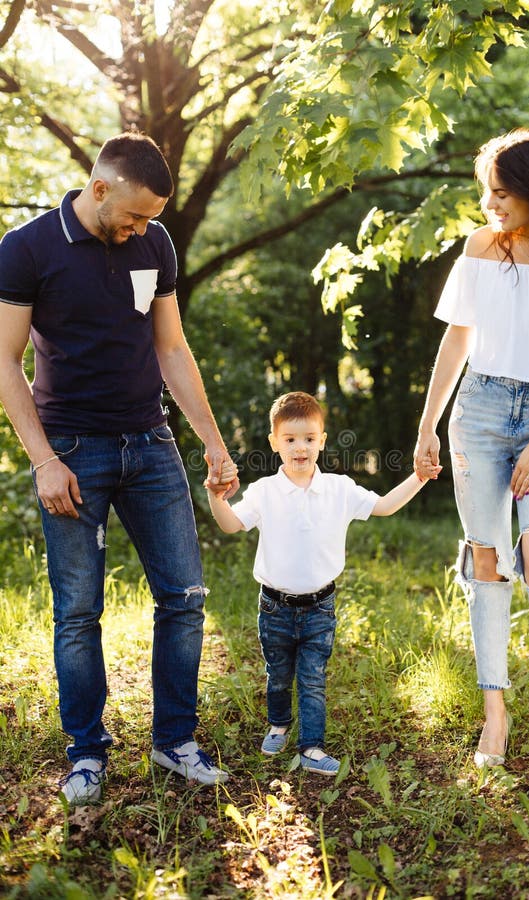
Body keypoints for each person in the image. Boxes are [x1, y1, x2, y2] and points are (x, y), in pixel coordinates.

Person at [0, 132, 239, 805]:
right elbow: (5, 362)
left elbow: (171, 348)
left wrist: (214, 445)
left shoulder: (153, 244)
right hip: (72, 451)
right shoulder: (27, 250)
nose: (140, 230)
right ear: (99, 188)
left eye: (150, 221)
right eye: (133, 216)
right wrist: (43, 459)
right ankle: (86, 753)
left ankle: (174, 741)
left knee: (185, 598)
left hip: (150, 442)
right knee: (78, 612)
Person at [413, 128, 529, 788]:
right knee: (487, 560)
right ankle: (496, 716)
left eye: (501, 192)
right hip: (481, 414)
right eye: (485, 191)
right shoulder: (481, 247)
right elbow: (459, 339)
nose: (489, 203)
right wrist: (428, 424)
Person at [206, 391, 440, 775]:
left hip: (320, 608)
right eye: (291, 439)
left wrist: (418, 477)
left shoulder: (339, 489)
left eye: (310, 439)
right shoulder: (265, 491)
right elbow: (232, 524)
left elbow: (383, 506)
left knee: (312, 679)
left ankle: (312, 747)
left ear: (322, 441)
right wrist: (217, 497)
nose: (301, 448)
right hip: (274, 607)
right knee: (279, 675)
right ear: (274, 443)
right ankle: (279, 724)